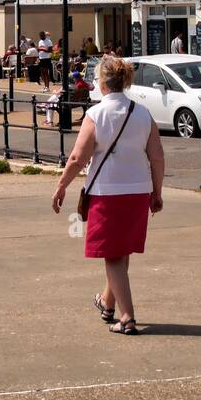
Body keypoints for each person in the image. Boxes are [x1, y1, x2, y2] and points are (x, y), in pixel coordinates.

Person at [51, 56, 165, 336]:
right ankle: (107, 301)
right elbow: (157, 156)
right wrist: (157, 191)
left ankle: (127, 318)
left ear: (102, 83)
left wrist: (62, 184)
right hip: (138, 189)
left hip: (108, 191)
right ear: (125, 81)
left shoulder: (96, 114)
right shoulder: (142, 114)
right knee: (121, 249)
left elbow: (79, 157)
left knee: (112, 254)